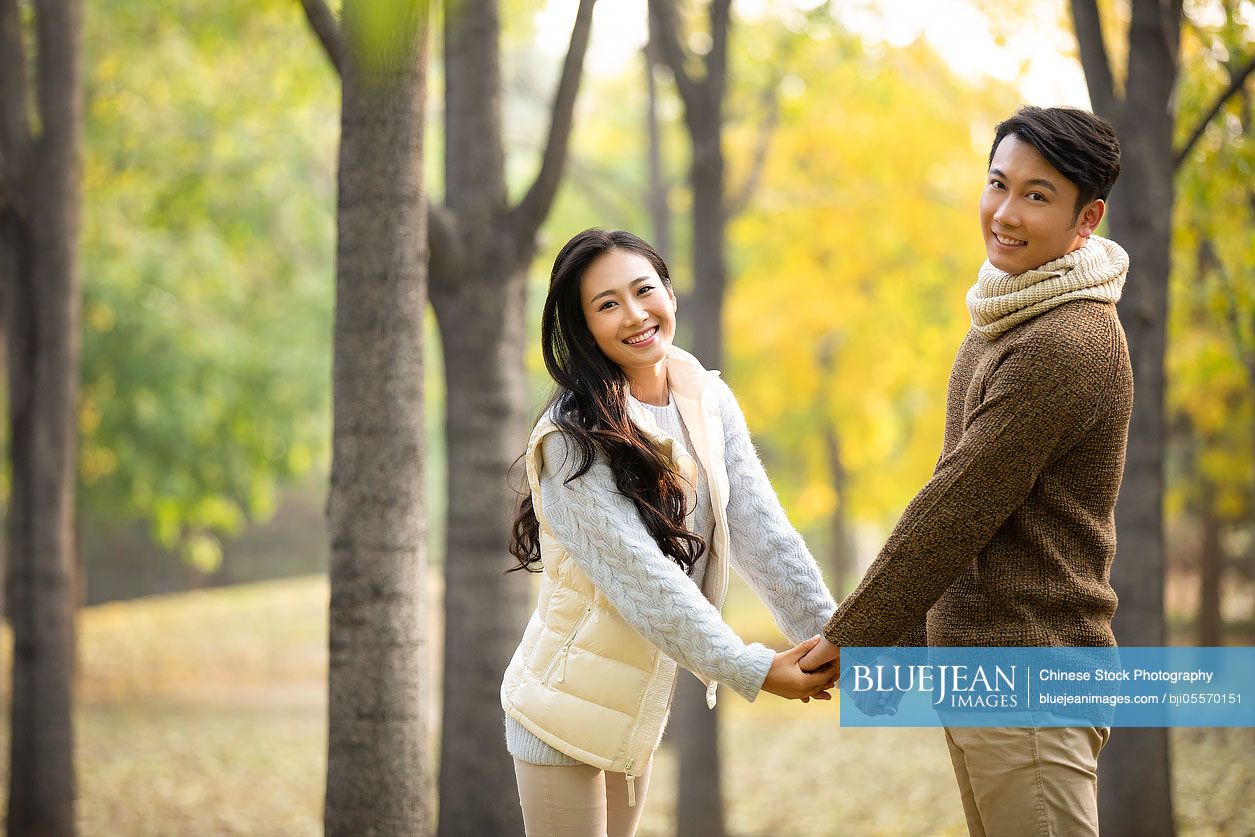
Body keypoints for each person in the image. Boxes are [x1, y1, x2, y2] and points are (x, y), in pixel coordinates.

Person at [801, 105, 1131, 837]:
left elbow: (957, 505)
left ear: (1087, 217)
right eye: (997, 184)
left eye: (1036, 195)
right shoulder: (1010, 315)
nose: (1004, 214)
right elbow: (975, 520)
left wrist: (849, 638)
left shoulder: (1063, 342)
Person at [501, 228, 838, 837]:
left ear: (670, 295)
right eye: (606, 305)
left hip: (634, 712)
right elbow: (646, 582)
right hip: (562, 712)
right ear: (583, 328)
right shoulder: (569, 440)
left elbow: (763, 530)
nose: (634, 315)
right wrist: (752, 668)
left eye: (643, 290)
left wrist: (832, 638)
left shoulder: (704, 397)